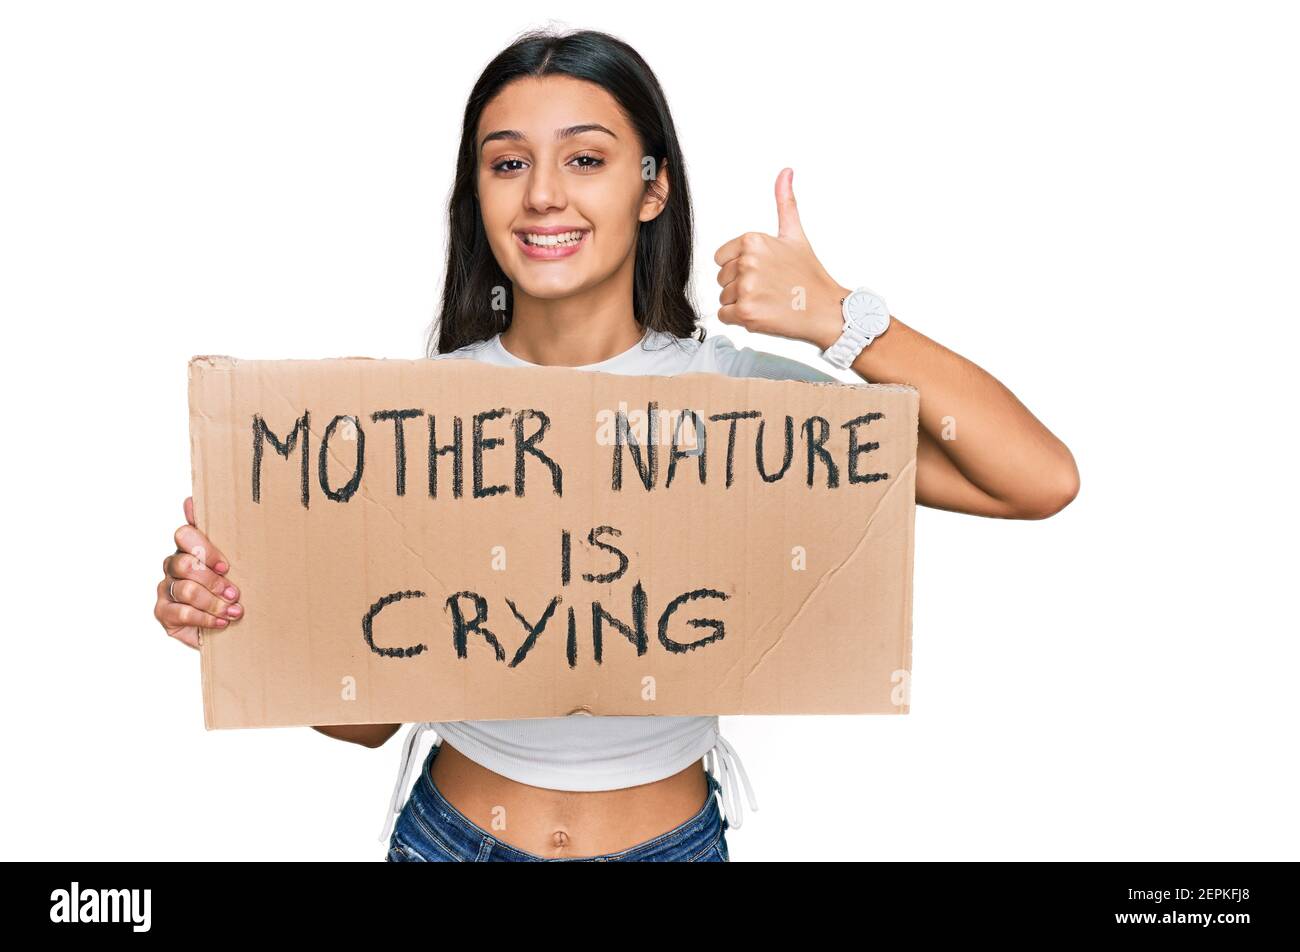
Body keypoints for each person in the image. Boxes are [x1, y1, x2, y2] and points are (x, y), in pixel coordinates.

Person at [154, 27, 1079, 863]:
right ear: (476, 195)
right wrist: (246, 625)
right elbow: (370, 723)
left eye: (586, 159)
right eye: (507, 164)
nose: (544, 194)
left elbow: (1035, 479)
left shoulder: (739, 400)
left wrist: (841, 319)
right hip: (450, 841)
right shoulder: (421, 416)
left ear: (654, 185)